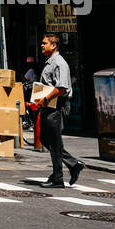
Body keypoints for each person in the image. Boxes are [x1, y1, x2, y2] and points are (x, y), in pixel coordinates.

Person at [30, 33, 84, 188]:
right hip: (48, 105)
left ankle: (58, 179)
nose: (42, 45)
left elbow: (61, 87)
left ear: (53, 45)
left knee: (53, 141)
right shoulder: (50, 62)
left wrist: (45, 99)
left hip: (57, 105)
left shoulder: (59, 63)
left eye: (44, 43)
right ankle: (73, 165)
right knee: (46, 138)